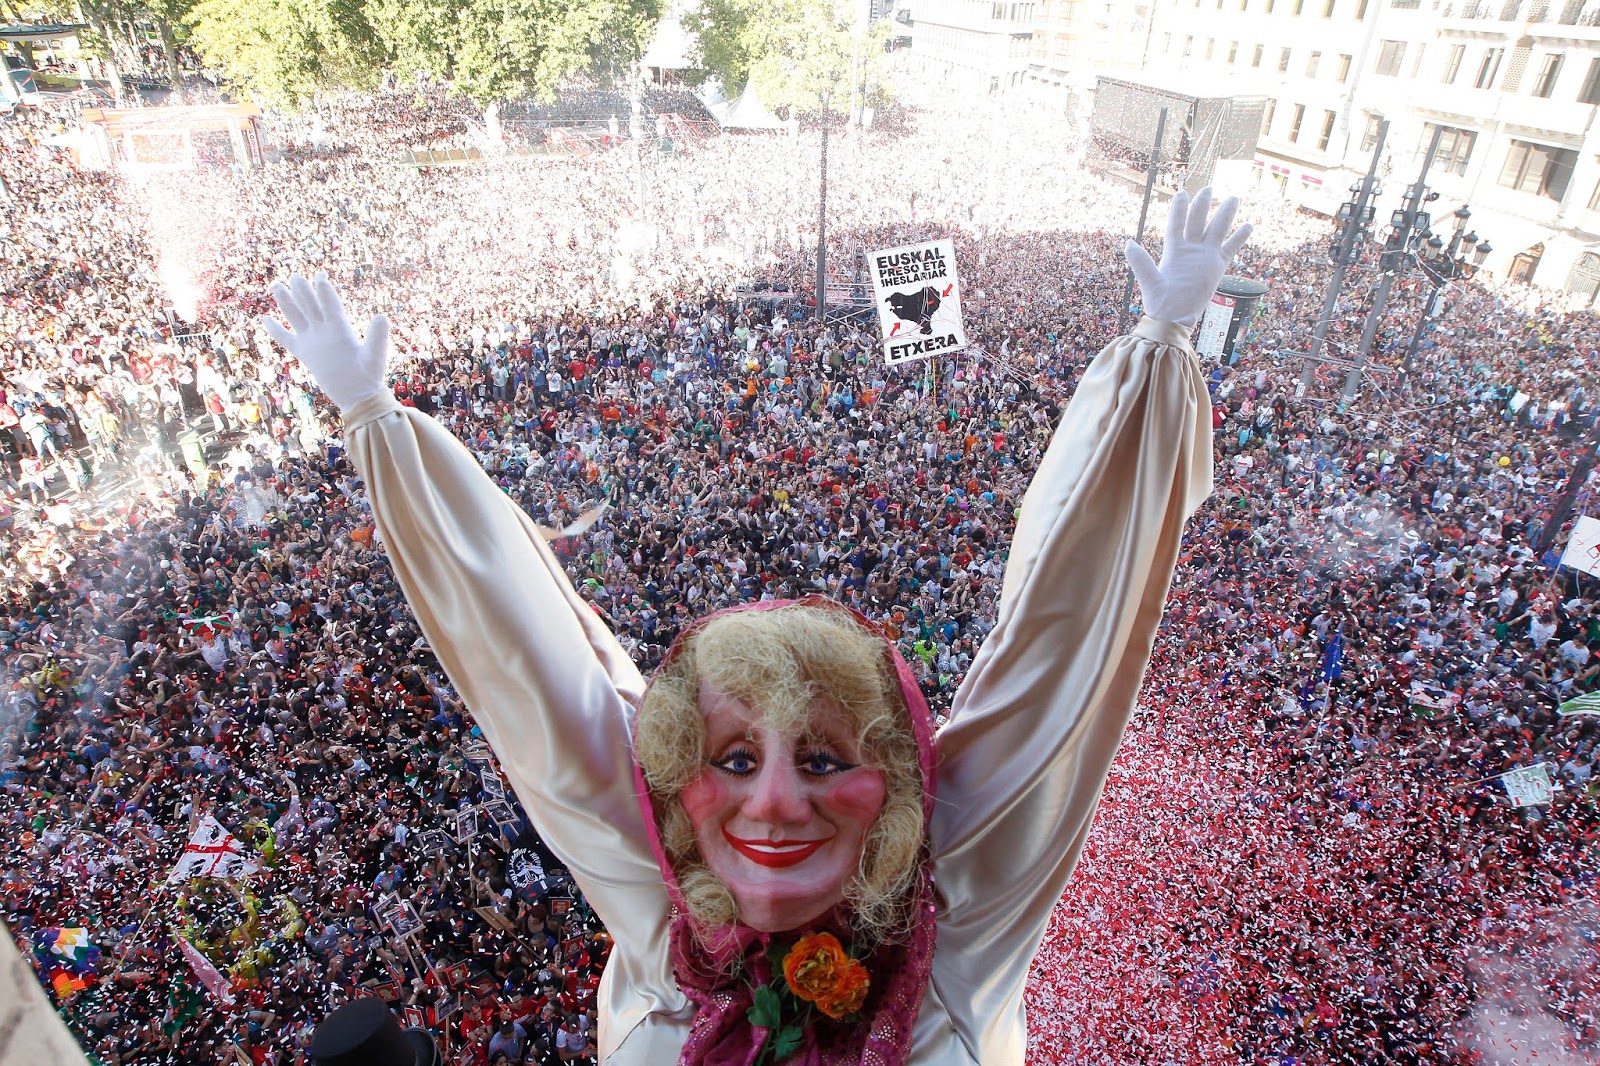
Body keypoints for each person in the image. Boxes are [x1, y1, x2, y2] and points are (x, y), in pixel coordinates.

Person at [265, 188, 1249, 1064]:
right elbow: (531, 663)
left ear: (903, 785)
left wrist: (1158, 357)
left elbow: (1062, 654)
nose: (774, 800)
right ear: (675, 775)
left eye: (822, 758)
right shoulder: (662, 915)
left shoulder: (958, 920)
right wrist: (379, 426)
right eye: (735, 759)